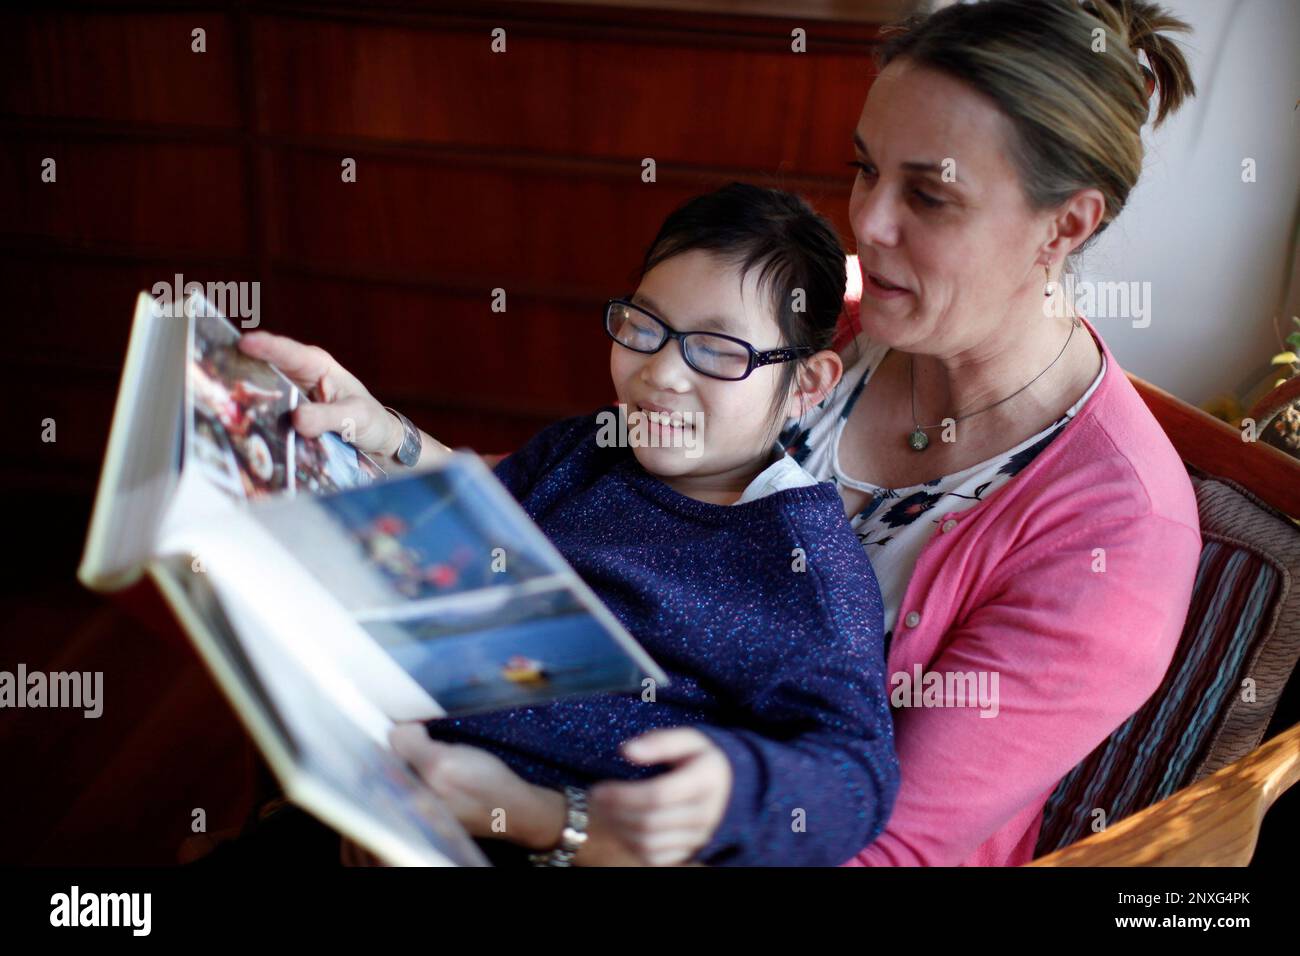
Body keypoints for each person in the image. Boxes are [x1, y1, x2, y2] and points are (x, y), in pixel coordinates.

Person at [240, 0, 1203, 867]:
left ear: (1066, 226)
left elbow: (866, 837)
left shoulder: (1119, 534)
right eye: (864, 169)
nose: (866, 222)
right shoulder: (823, 333)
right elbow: (568, 502)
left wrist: (546, 822)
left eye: (930, 196)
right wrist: (384, 440)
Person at [245, 183, 900, 867]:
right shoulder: (592, 447)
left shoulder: (802, 567)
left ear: (807, 384)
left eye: (717, 349)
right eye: (645, 327)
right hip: (384, 781)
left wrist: (734, 782)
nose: (661, 373)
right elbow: (479, 519)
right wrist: (379, 432)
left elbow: (857, 778)